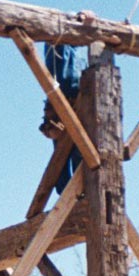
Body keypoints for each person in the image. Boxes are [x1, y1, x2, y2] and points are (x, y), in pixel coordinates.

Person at [39, 42, 88, 196]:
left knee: (76, 157)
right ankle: (76, 194)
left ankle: (79, 193)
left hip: (70, 98)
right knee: (70, 159)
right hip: (63, 100)